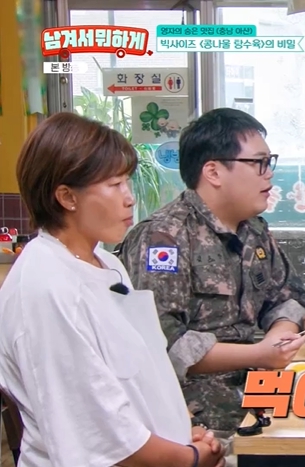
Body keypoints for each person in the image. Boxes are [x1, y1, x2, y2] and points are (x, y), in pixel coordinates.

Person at [0, 112, 225, 467]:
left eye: (127, 182)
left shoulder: (106, 262)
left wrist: (182, 433)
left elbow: (144, 372)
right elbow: (96, 433)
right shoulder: (45, 287)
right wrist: (189, 459)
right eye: (114, 184)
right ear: (66, 196)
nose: (129, 198)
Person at [117, 108, 305, 442]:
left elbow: (289, 296)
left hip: (261, 396)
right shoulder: (164, 238)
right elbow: (162, 342)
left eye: (270, 162)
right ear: (213, 172)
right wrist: (258, 354)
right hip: (199, 423)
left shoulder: (253, 229)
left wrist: (278, 337)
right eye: (259, 163)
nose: (269, 174)